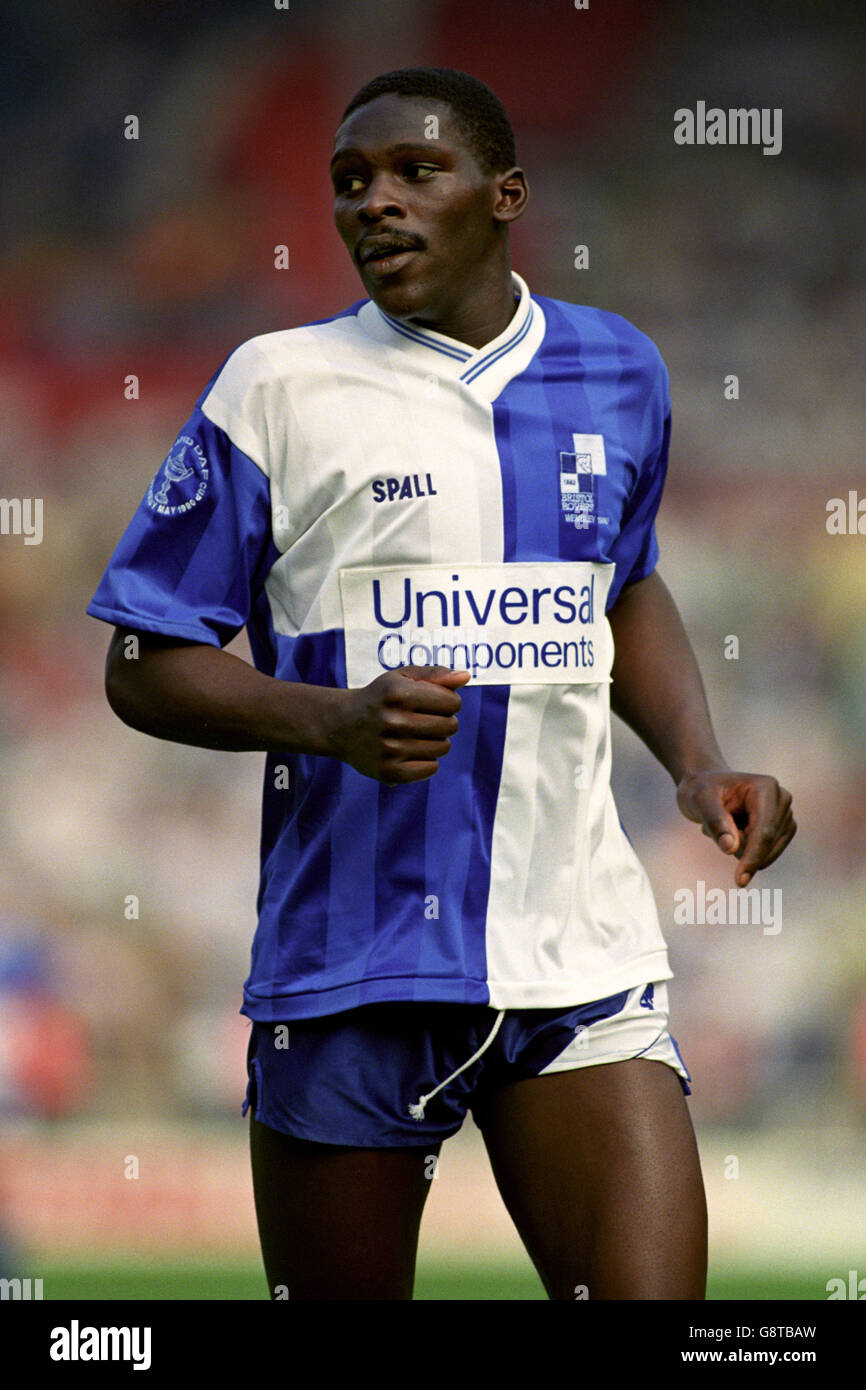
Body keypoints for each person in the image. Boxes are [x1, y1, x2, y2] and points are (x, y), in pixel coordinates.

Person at [87, 66, 796, 1301]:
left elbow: (621, 583)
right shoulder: (275, 385)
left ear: (503, 193)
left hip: (576, 955)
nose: (376, 203)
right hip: (348, 960)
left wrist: (696, 759)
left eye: (416, 172)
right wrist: (330, 720)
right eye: (350, 182)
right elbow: (143, 662)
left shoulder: (617, 370)